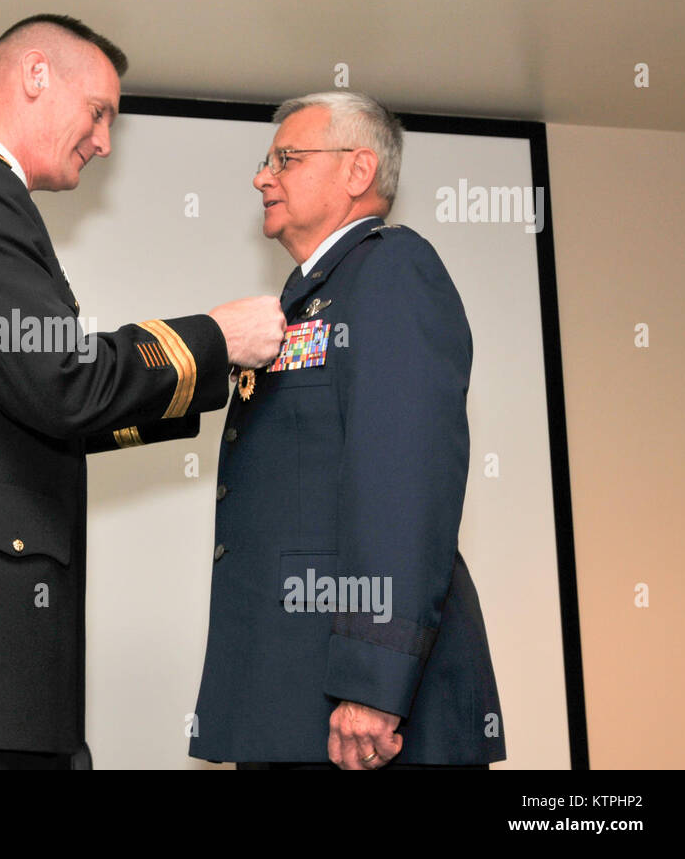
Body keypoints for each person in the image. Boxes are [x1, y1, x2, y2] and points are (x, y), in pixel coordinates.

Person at [0, 14, 286, 769]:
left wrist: (206, 377)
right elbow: (63, 383)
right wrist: (215, 338)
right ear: (35, 74)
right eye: (100, 111)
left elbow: (48, 409)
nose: (104, 141)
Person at [190, 91, 506, 770]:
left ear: (358, 171)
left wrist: (372, 679)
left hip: (360, 712)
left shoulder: (392, 271)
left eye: (286, 158)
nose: (261, 176)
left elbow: (403, 483)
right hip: (297, 701)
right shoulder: (310, 297)